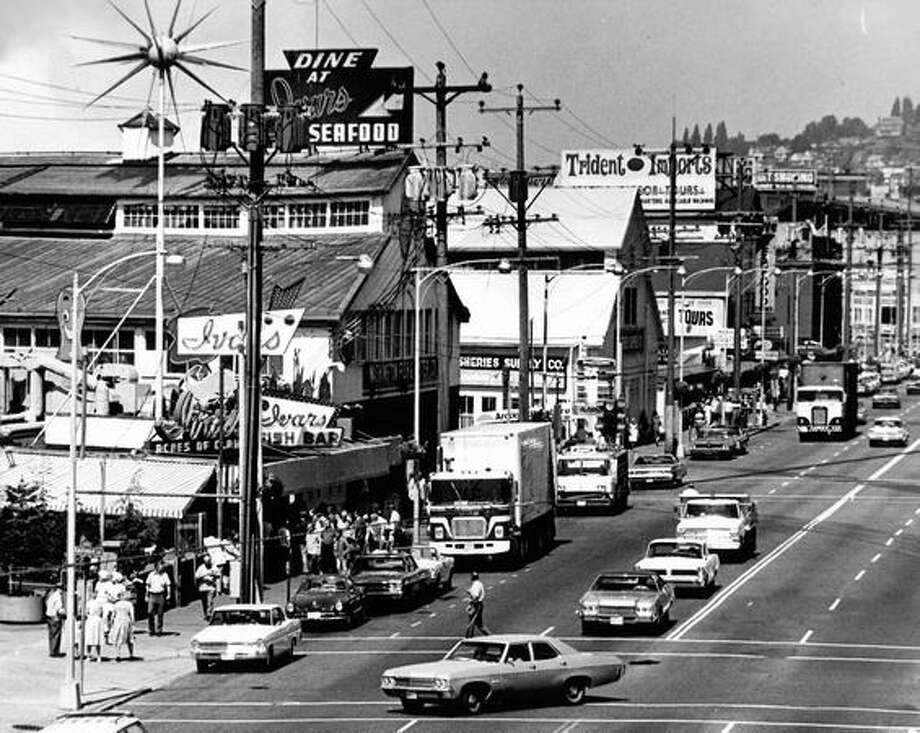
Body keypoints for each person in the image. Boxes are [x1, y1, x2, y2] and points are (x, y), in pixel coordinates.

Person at [145, 562, 171, 636]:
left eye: (162, 567)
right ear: (156, 568)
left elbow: (168, 585)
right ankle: (151, 629)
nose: (161, 569)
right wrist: (146, 595)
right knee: (150, 612)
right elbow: (147, 585)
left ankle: (159, 629)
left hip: (161, 595)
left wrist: (168, 594)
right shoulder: (151, 575)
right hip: (152, 595)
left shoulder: (165, 575)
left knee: (160, 613)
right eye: (160, 567)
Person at [109, 591, 135, 661]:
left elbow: (113, 615)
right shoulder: (128, 604)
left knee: (120, 637)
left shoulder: (117, 604)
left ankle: (119, 654)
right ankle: (127, 654)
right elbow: (132, 614)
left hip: (120, 621)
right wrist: (132, 621)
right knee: (127, 638)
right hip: (124, 620)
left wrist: (111, 622)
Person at [464, 571, 491, 638]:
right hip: (477, 605)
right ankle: (470, 636)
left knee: (472, 622)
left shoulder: (476, 585)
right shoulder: (478, 584)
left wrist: (470, 601)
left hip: (476, 605)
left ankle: (468, 637)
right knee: (478, 624)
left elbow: (475, 596)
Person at [195, 555, 220, 621]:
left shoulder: (214, 567)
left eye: (208, 561)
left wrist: (213, 576)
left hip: (211, 587)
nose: (207, 563)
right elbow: (196, 576)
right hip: (203, 588)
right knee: (204, 602)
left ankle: (209, 614)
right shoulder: (201, 568)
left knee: (210, 601)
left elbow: (218, 575)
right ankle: (205, 614)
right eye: (206, 562)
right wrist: (204, 577)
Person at [45, 583, 66, 657]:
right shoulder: (58, 597)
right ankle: (55, 652)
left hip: (49, 616)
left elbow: (47, 603)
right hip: (55, 617)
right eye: (62, 589)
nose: (62, 591)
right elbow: (59, 608)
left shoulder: (52, 595)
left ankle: (52, 650)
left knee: (51, 635)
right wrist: (65, 613)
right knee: (56, 635)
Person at [83, 598, 104, 662]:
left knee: (95, 638)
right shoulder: (92, 603)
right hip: (93, 620)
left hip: (93, 620)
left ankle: (96, 656)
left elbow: (86, 612)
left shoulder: (97, 603)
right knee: (91, 638)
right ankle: (92, 656)